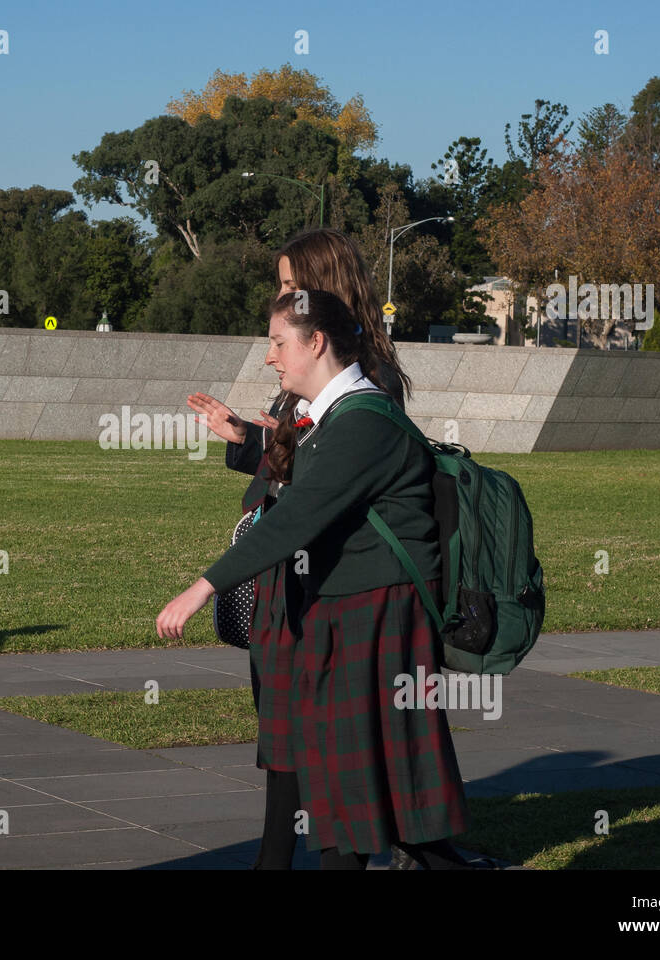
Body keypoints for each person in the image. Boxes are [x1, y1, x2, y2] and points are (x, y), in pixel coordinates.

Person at [159, 288, 472, 870]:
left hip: (376, 619)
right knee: (343, 792)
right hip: (345, 612)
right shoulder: (334, 418)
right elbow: (311, 476)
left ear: (317, 341)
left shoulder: (362, 420)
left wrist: (203, 587)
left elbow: (299, 516)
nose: (271, 356)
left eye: (279, 342)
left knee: (386, 795)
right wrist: (250, 439)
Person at [185, 227, 412, 869]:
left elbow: (327, 487)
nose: (282, 294)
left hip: (335, 592)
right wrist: (246, 439)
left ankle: (414, 845)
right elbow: (300, 466)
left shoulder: (368, 382)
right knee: (286, 749)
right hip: (291, 583)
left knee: (332, 757)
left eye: (291, 284)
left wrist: (204, 584)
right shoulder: (308, 376)